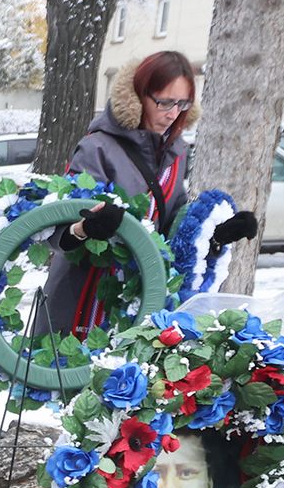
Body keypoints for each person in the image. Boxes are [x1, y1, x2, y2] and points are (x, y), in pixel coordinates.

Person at [35, 51, 261, 338]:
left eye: (182, 103)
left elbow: (170, 230)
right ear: (139, 95)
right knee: (70, 379)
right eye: (164, 102)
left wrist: (216, 235)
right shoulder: (98, 149)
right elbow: (57, 231)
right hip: (83, 300)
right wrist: (86, 228)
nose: (172, 113)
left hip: (139, 308)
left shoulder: (175, 154)